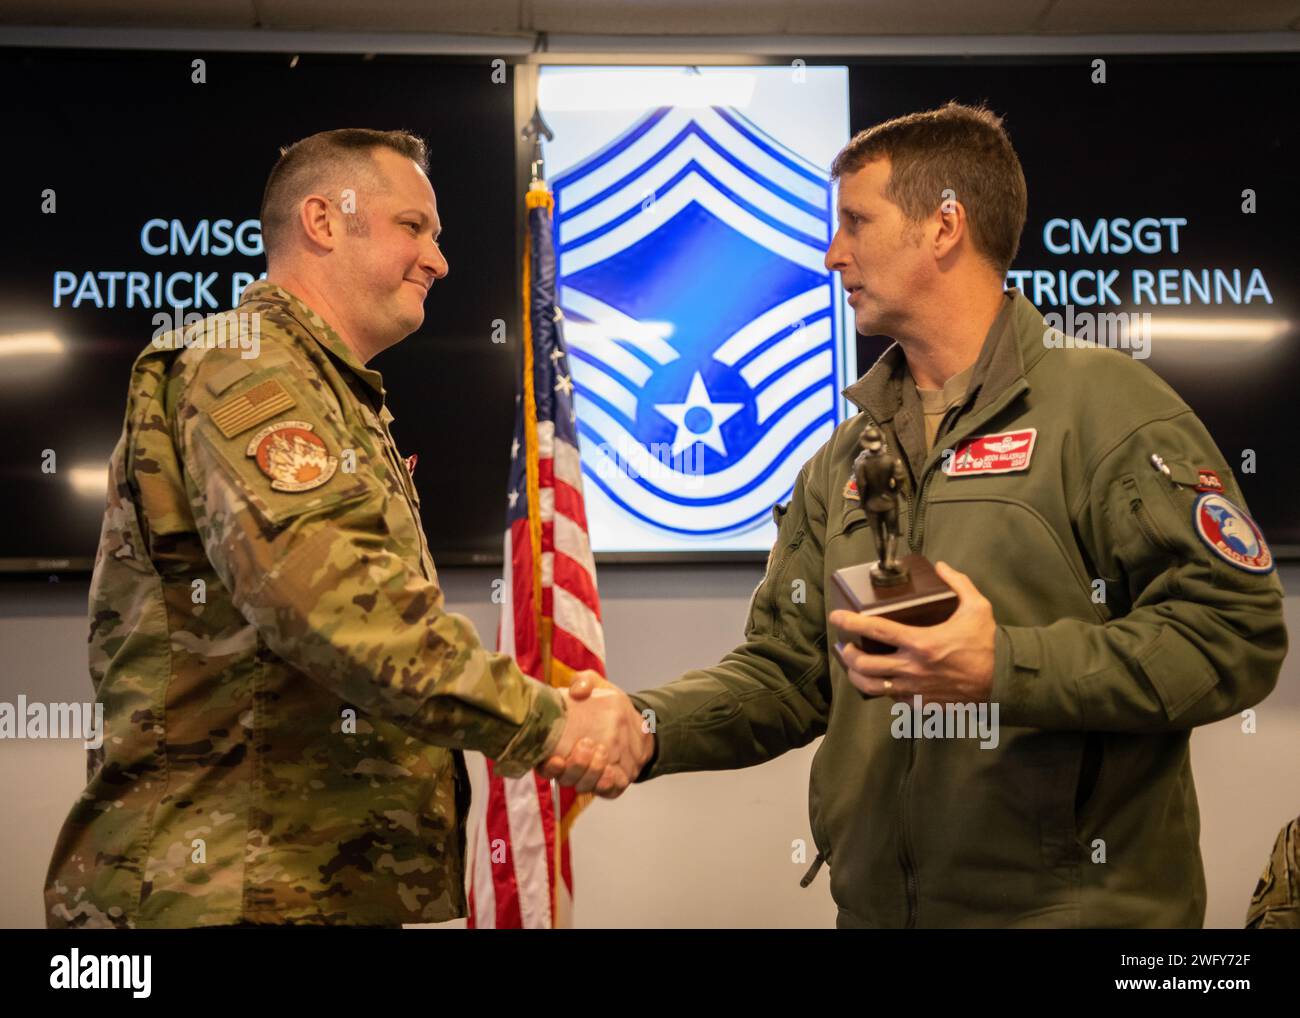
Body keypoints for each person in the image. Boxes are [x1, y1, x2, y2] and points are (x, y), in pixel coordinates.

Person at [546, 103, 1288, 928]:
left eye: (856, 222)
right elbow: (792, 674)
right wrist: (646, 724)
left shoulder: (1109, 408)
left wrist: (1004, 665)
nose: (833, 254)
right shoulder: (846, 454)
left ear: (944, 227)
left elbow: (1234, 633)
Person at [45, 128, 649, 929]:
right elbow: (340, 610)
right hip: (221, 892)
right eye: (414, 227)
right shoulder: (245, 363)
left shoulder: (328, 390)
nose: (439, 260)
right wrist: (552, 722)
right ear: (325, 221)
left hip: (296, 887)